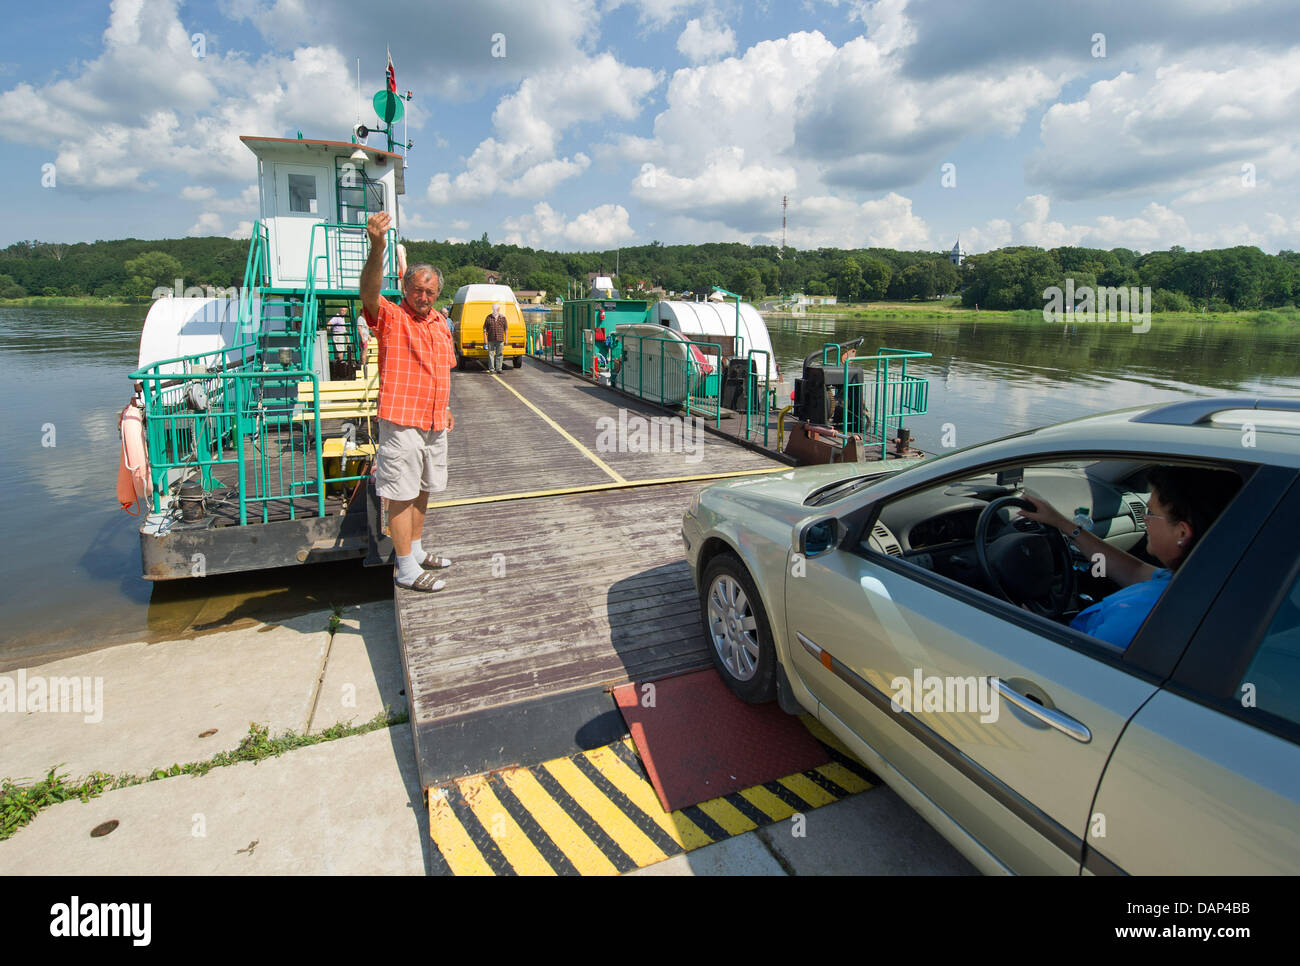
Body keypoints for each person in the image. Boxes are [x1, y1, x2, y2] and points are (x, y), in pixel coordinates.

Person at [1019, 465, 1242, 649]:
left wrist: (1030, 624)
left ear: (1182, 533)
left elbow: (1065, 663)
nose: (1144, 518)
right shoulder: (1199, 580)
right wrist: (1063, 523)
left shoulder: (1138, 617)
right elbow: (1135, 572)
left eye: (1151, 512)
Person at [360, 211, 455, 593]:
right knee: (399, 492)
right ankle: (403, 567)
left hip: (434, 420)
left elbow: (444, 371)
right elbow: (368, 293)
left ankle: (415, 550)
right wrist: (377, 246)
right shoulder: (392, 317)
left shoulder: (440, 324)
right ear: (405, 287)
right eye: (418, 290)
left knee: (424, 487)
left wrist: (446, 407)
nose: (424, 297)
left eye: (430, 292)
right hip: (401, 419)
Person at [483, 302, 508, 373]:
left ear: (498, 309)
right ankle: (491, 369)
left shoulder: (503, 318)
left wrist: (506, 339)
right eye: (494, 309)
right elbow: (484, 329)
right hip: (491, 339)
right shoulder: (488, 317)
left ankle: (499, 368)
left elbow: (506, 329)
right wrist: (485, 339)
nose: (495, 310)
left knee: (499, 354)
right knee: (491, 354)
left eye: (496, 309)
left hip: (500, 339)